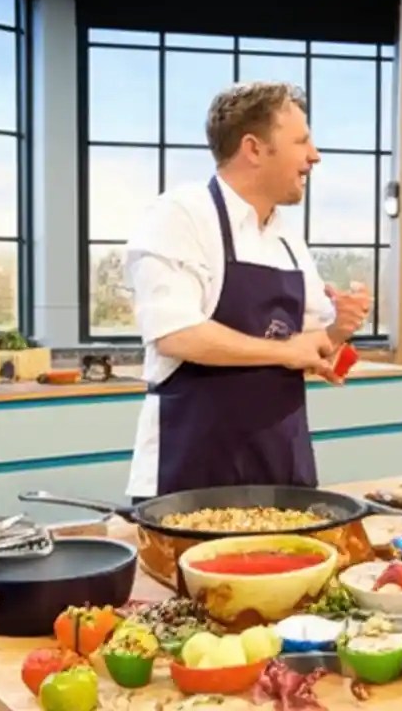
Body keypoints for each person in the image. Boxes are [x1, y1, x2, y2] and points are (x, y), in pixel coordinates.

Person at [123, 81, 373, 500]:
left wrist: (339, 332)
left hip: (281, 471)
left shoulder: (287, 239)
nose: (315, 155)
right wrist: (288, 351)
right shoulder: (181, 215)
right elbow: (176, 334)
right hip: (192, 473)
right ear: (254, 149)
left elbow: (314, 348)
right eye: (302, 141)